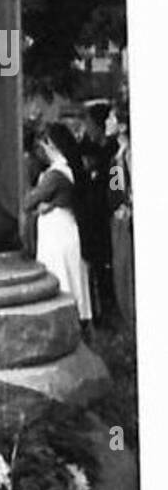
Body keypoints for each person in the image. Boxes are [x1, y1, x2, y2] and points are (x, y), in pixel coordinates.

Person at [25, 123, 93, 335]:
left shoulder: (55, 174)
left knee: (63, 275)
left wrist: (47, 204)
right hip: (68, 227)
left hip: (61, 233)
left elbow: (29, 200)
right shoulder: (72, 168)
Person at [107, 102, 134, 328]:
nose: (107, 123)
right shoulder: (117, 156)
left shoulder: (129, 155)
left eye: (112, 119)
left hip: (127, 220)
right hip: (118, 217)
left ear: (123, 126)